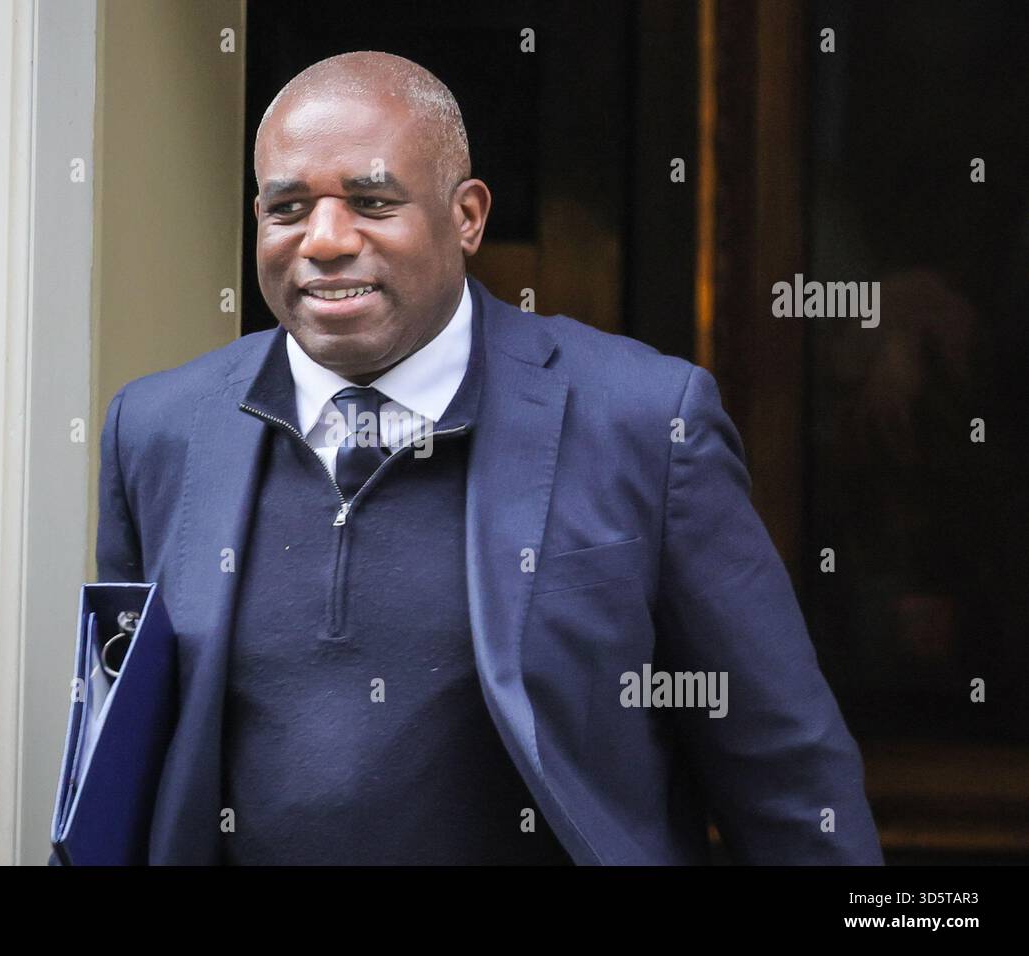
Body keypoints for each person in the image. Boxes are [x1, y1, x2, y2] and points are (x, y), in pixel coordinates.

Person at [97, 51, 884, 865]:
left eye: (372, 201)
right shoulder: (158, 430)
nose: (325, 240)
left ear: (467, 216)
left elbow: (783, 767)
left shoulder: (647, 424)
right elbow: (119, 761)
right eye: (288, 207)